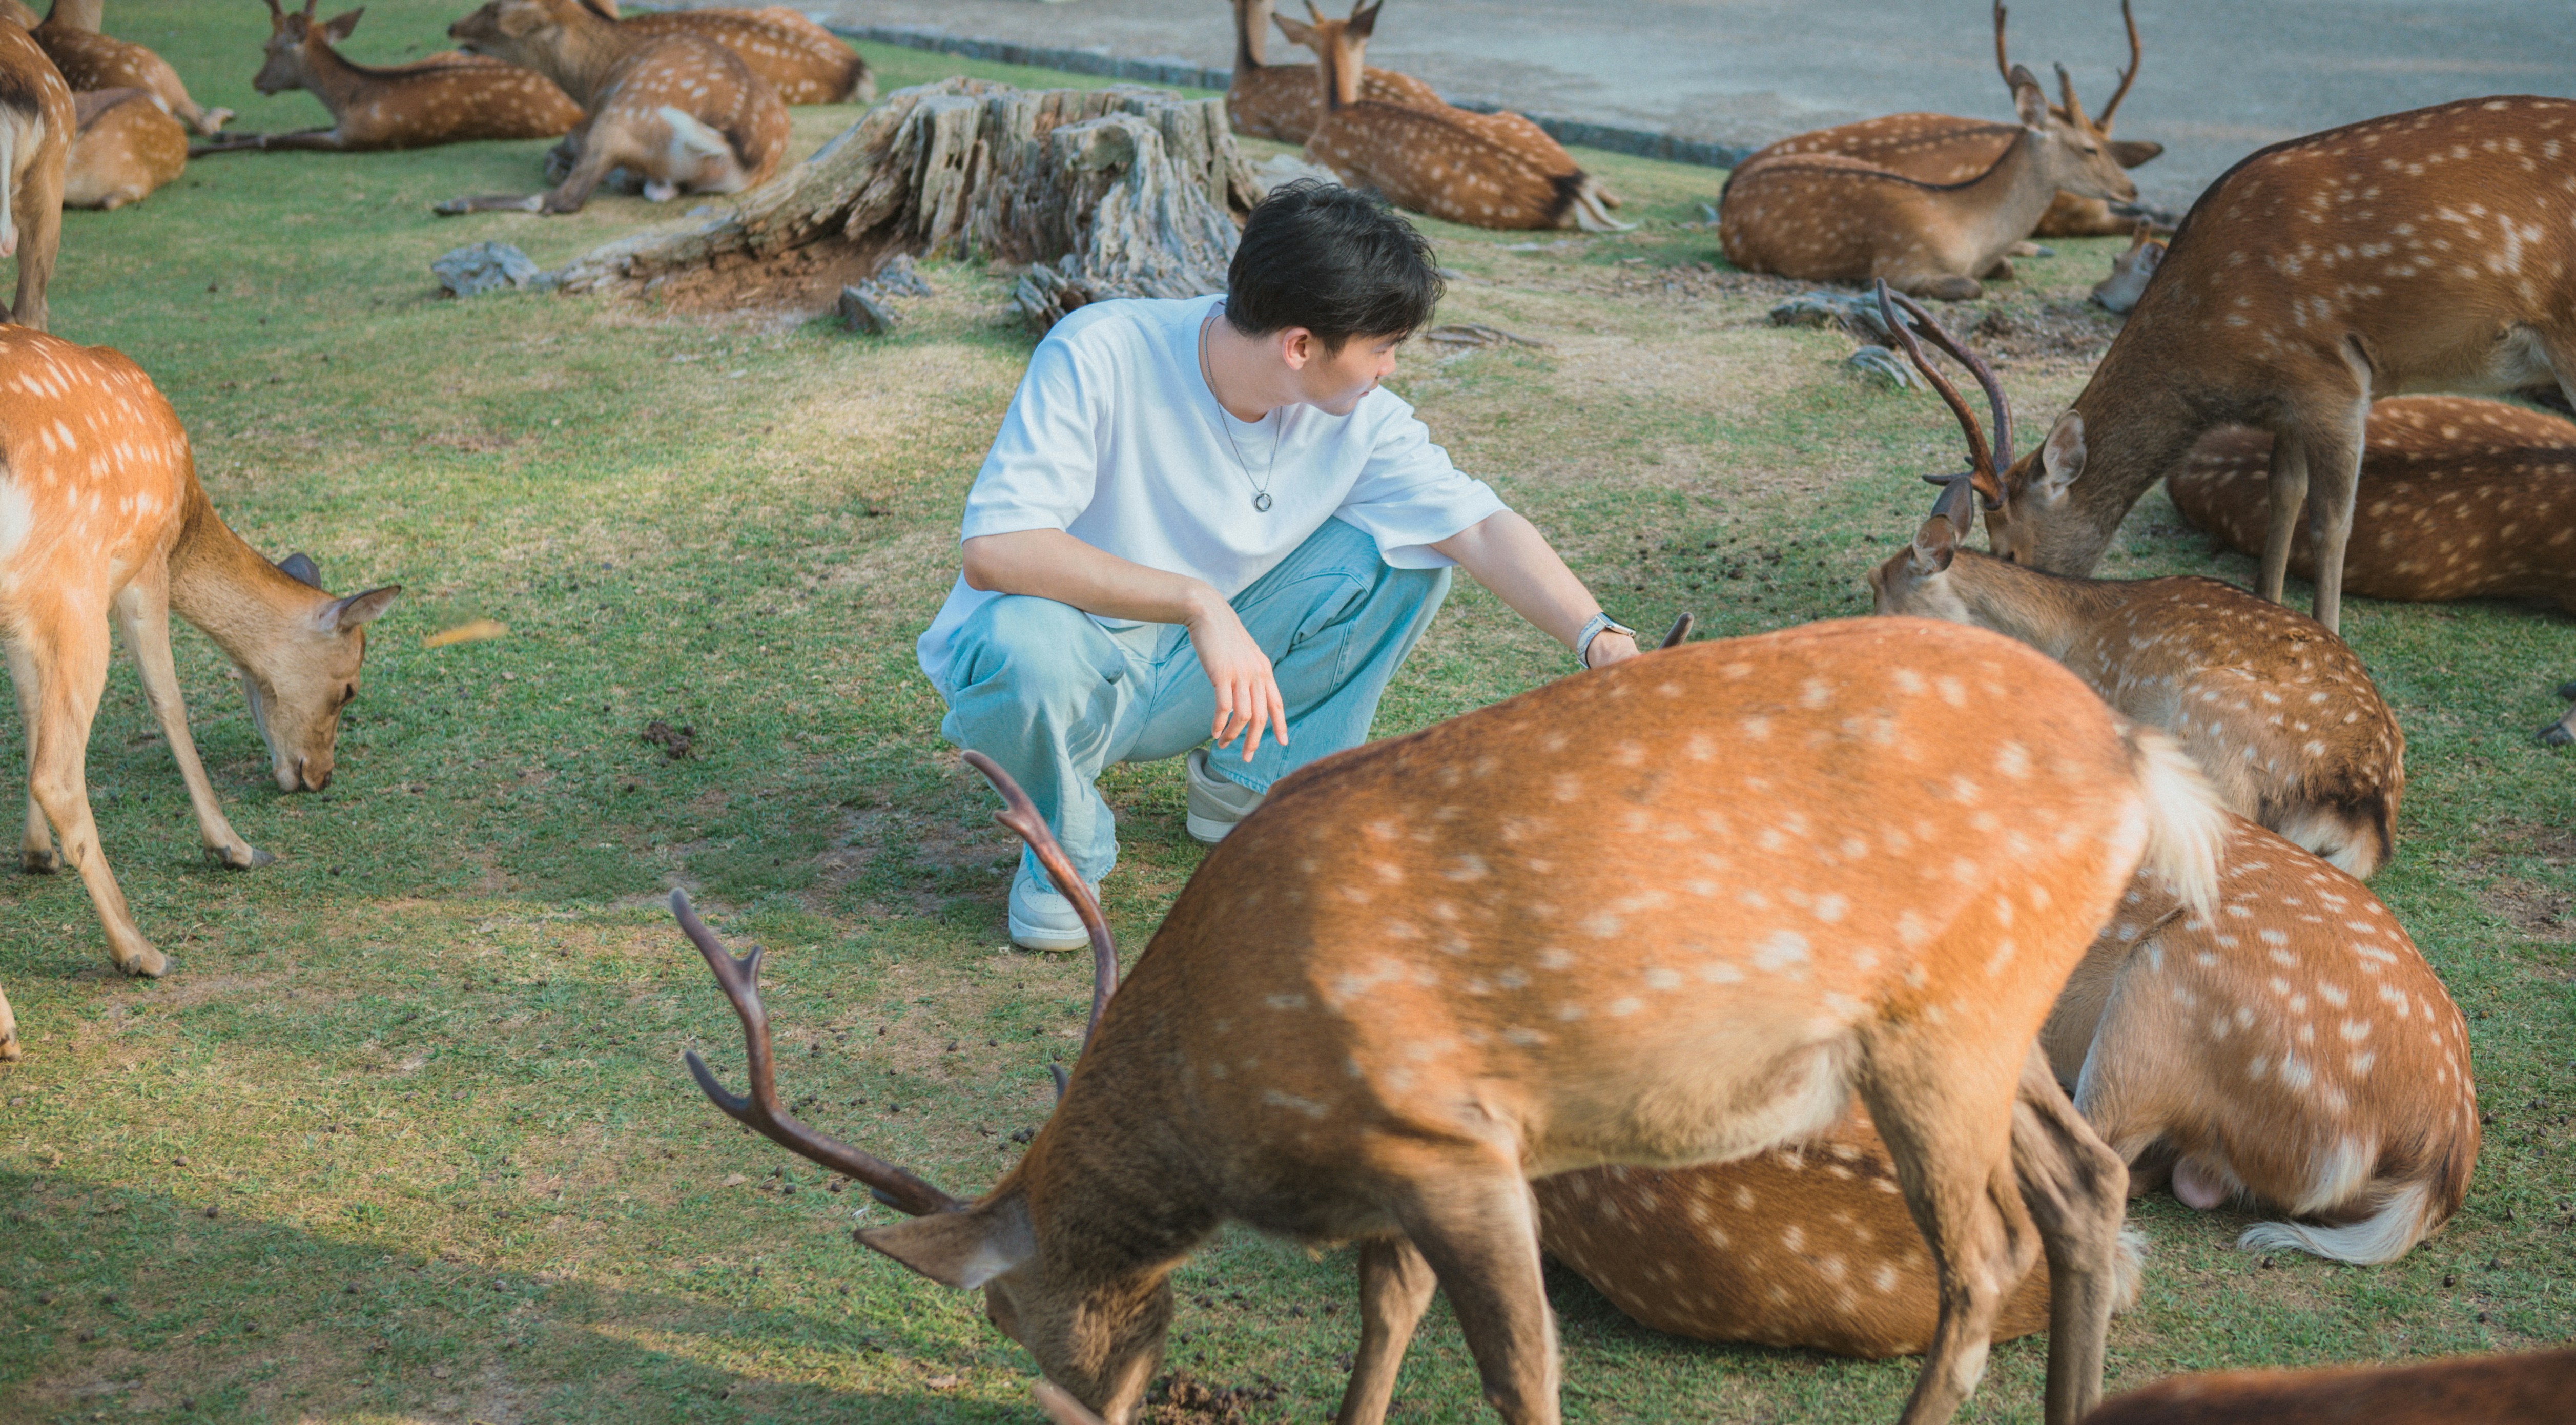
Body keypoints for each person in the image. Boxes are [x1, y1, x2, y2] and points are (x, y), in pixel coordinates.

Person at [916, 181, 1642, 951]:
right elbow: (996, 547)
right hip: (1077, 673)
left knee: (1405, 559)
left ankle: (1246, 782)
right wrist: (1198, 603)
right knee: (1018, 642)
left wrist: (1599, 639)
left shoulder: (1357, 417)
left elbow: (1483, 530)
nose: (1390, 368)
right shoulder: (1101, 351)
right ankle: (1062, 850)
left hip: (1214, 682)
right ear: (1300, 346)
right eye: (1382, 347)